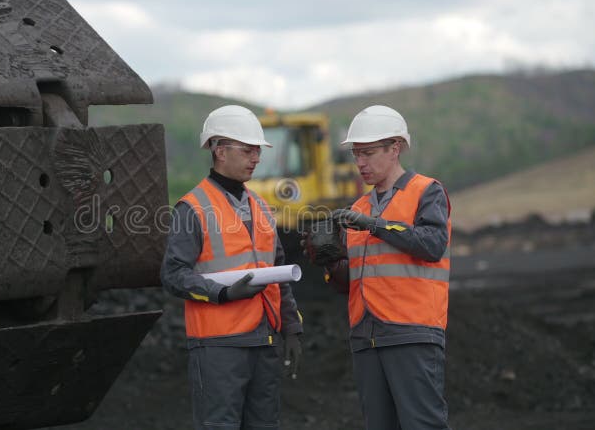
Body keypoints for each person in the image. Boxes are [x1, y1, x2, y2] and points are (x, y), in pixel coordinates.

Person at [161, 104, 304, 430]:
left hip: (264, 344)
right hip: (218, 347)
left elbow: (278, 271)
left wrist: (291, 326)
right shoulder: (193, 208)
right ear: (220, 150)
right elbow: (172, 275)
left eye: (258, 150)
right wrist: (223, 293)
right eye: (248, 149)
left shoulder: (262, 207)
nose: (256, 157)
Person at [310, 105, 451, 430]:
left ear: (395, 148)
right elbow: (356, 279)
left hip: (411, 331)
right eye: (357, 154)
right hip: (366, 334)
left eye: (368, 153)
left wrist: (374, 224)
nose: (360, 163)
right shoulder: (359, 207)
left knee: (422, 424)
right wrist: (331, 262)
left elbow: (431, 244)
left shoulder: (426, 192)